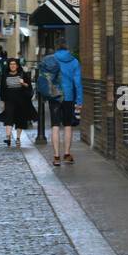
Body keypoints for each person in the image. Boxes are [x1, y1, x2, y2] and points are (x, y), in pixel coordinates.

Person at [41, 39, 83, 167]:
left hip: (54, 96)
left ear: (56, 48)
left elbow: (43, 78)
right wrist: (79, 100)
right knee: (68, 125)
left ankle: (56, 157)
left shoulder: (50, 59)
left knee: (54, 126)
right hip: (68, 96)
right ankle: (67, 154)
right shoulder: (74, 61)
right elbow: (78, 82)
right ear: (67, 47)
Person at [0, 57, 38, 147]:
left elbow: (29, 87)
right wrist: (3, 102)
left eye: (14, 64)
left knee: (20, 120)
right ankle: (8, 138)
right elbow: (2, 90)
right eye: (11, 64)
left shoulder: (23, 74)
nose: (13, 66)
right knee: (8, 118)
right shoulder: (5, 75)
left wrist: (23, 83)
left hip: (21, 101)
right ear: (8, 66)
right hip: (9, 100)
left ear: (17, 65)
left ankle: (18, 138)